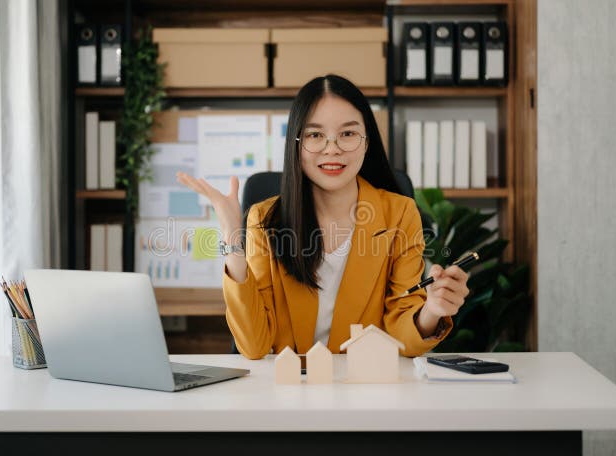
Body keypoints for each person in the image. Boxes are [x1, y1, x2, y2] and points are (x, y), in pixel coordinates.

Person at [177, 74, 469, 360]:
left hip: (362, 386)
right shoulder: (263, 218)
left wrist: (432, 310)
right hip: (288, 388)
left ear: (367, 142)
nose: (333, 149)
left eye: (348, 134)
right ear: (297, 144)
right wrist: (232, 238)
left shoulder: (400, 214)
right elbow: (254, 346)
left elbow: (401, 334)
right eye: (315, 135)